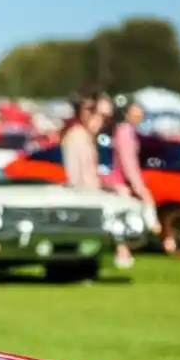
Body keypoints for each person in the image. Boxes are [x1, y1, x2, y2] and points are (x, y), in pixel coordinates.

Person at [63, 90, 135, 269]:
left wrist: (108, 186)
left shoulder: (87, 137)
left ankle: (121, 253)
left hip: (91, 195)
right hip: (83, 198)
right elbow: (76, 176)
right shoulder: (76, 137)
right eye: (100, 117)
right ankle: (120, 255)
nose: (102, 123)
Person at [110, 101, 174, 252]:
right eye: (136, 113)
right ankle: (164, 241)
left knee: (134, 215)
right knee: (146, 211)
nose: (139, 116)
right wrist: (137, 184)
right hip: (123, 181)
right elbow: (127, 160)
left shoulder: (129, 131)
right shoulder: (125, 131)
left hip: (126, 180)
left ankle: (161, 240)